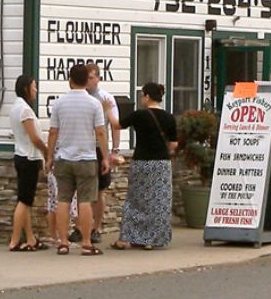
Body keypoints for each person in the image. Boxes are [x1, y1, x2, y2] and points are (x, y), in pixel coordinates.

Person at [47, 63, 109, 256]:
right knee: (85, 200)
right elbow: (100, 131)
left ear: (70, 80)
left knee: (63, 199)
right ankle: (86, 242)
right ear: (86, 81)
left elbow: (53, 132)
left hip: (64, 157)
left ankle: (63, 242)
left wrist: (49, 156)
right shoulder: (94, 104)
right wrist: (106, 157)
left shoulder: (59, 103)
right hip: (87, 157)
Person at [112, 82, 177, 250]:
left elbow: (117, 125)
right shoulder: (169, 117)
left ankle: (128, 237)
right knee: (158, 202)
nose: (141, 98)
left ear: (148, 96)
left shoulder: (139, 116)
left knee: (135, 200)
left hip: (141, 161)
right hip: (162, 164)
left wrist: (108, 110)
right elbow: (174, 144)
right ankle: (152, 239)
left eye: (142, 95)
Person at [7, 75, 49, 251]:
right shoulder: (25, 110)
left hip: (21, 155)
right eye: (34, 87)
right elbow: (34, 138)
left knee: (27, 200)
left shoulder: (16, 107)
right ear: (26, 89)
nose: (36, 90)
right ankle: (15, 240)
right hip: (29, 158)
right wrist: (47, 151)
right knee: (24, 200)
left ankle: (30, 238)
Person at [83, 62, 122, 246]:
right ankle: (82, 227)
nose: (89, 81)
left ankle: (97, 227)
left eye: (91, 77)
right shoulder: (80, 96)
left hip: (99, 149)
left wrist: (114, 150)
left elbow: (115, 126)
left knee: (99, 191)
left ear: (98, 78)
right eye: (86, 77)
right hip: (82, 147)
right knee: (82, 191)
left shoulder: (106, 98)